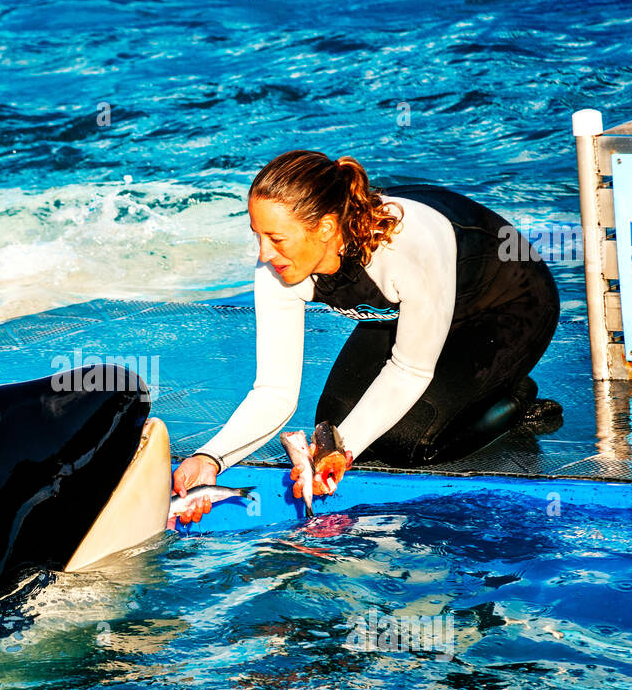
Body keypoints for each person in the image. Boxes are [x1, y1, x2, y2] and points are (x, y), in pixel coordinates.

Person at [172, 150, 561, 523]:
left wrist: (342, 452)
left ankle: (513, 399)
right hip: (415, 311)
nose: (264, 254)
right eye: (258, 235)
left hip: (507, 307)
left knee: (408, 442)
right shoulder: (279, 264)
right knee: (332, 426)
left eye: (276, 238)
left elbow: (409, 370)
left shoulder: (406, 248)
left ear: (326, 228)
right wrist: (210, 458)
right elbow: (275, 392)